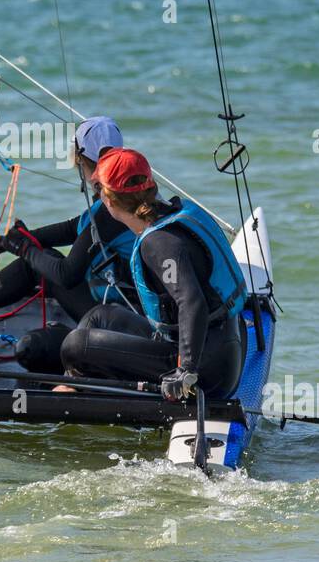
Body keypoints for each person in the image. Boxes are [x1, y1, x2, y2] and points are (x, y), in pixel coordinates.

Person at [0, 116, 138, 372]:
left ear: (81, 161)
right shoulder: (129, 190)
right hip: (122, 313)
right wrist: (15, 240)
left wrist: (24, 249)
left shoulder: (111, 212)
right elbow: (73, 228)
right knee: (41, 255)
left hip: (121, 323)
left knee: (36, 265)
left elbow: (67, 275)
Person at [58, 148, 247, 402]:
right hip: (220, 343)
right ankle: (76, 383)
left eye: (99, 191)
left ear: (109, 201)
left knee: (75, 345)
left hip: (205, 369)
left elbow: (192, 302)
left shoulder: (158, 243)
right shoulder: (174, 213)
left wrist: (186, 371)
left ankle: (84, 389)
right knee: (99, 316)